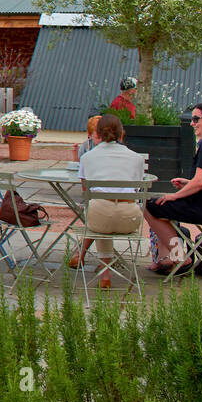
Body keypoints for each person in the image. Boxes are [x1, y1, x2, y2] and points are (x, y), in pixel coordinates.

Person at [143, 100, 202, 276]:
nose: (192, 123)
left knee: (149, 205)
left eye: (196, 119)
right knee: (162, 206)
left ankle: (180, 256)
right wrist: (188, 183)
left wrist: (175, 196)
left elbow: (201, 182)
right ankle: (172, 251)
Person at [69, 114, 146, 289]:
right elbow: (137, 188)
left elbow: (86, 192)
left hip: (99, 218)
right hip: (131, 220)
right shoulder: (137, 158)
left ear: (99, 134)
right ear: (121, 134)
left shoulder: (87, 158)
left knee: (99, 209)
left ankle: (105, 274)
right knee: (104, 209)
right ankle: (94, 265)